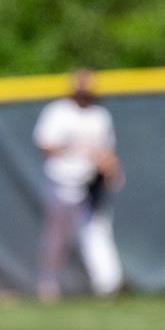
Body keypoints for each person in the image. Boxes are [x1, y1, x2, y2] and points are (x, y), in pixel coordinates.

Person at [33, 68, 125, 301]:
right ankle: (49, 282)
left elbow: (107, 151)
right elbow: (45, 144)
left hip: (89, 183)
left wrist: (112, 168)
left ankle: (107, 284)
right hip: (61, 182)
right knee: (57, 236)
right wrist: (76, 148)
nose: (84, 93)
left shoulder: (99, 115)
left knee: (96, 230)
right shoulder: (58, 111)